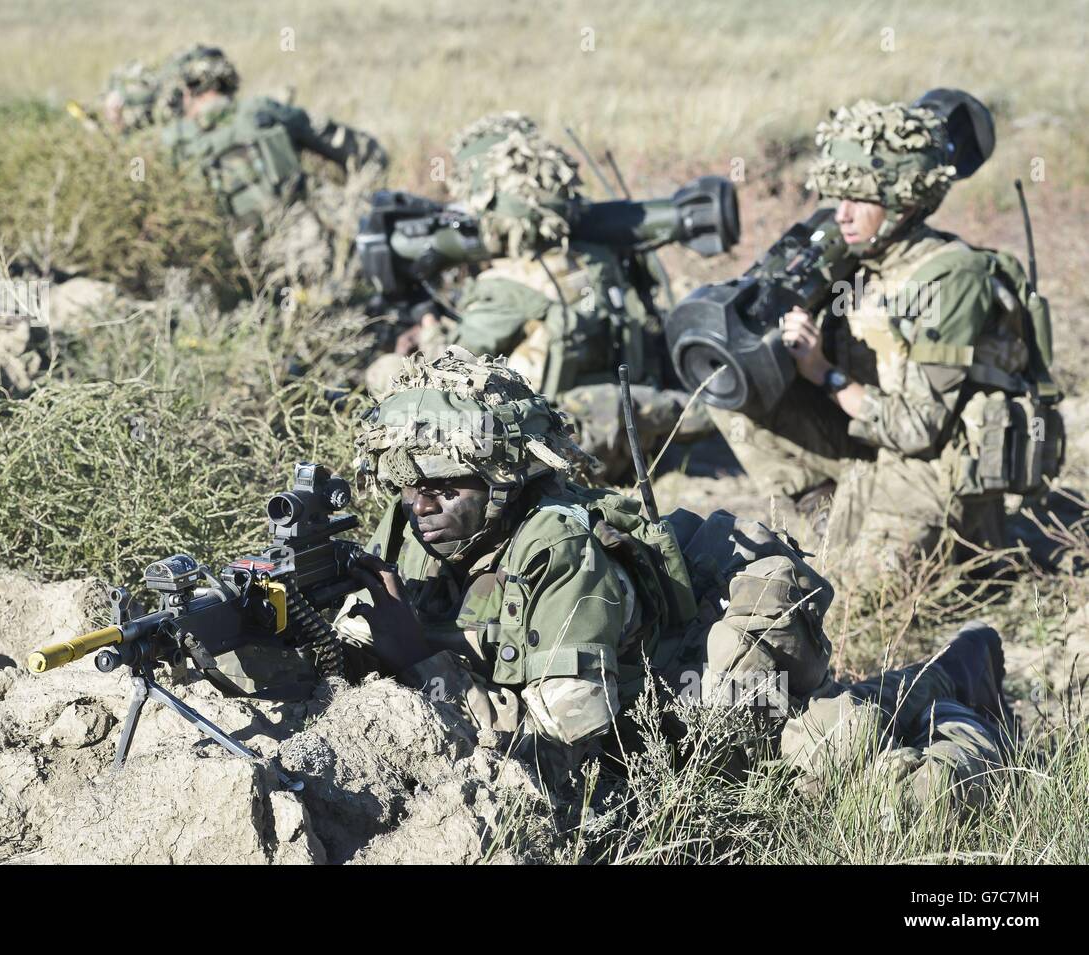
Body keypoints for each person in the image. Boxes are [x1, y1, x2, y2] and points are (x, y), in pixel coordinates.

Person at [338, 346, 1015, 811]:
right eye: (406, 483)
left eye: (446, 485)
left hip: (684, 699)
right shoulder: (419, 524)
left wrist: (421, 663)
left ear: (502, 476)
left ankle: (952, 690)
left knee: (880, 784)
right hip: (598, 691)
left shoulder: (560, 549)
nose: (421, 504)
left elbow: (563, 739)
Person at [709, 99, 1061, 580]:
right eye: (840, 198)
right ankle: (834, 527)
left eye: (862, 201)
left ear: (905, 203)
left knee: (854, 598)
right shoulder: (864, 261)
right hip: (872, 448)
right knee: (733, 391)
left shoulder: (952, 278)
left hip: (933, 469)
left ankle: (959, 556)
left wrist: (824, 373)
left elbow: (920, 429)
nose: (844, 215)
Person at [367, 113, 709, 481]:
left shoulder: (507, 287)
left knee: (386, 373)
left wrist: (429, 332)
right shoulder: (598, 257)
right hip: (632, 440)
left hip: (558, 455)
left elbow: (450, 376)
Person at [158, 44, 388, 295]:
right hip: (317, 257)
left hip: (240, 279)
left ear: (187, 91)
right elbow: (361, 149)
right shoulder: (262, 111)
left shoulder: (172, 145)